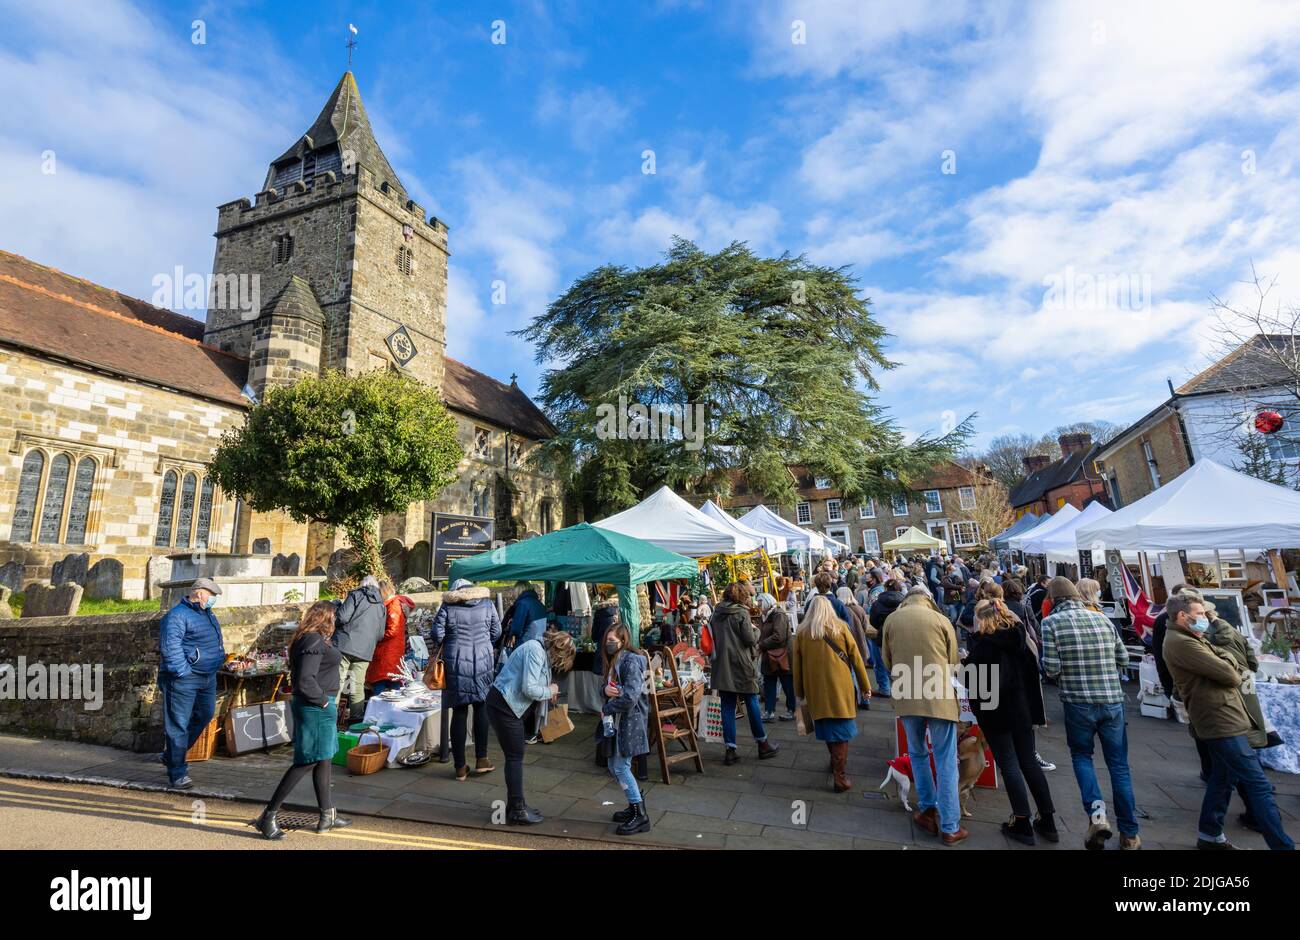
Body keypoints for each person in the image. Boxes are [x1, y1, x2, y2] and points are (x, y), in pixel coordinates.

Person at [1162, 594, 1294, 850]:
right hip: (1220, 720)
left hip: (1224, 716)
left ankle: (1210, 834)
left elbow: (1231, 659)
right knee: (1258, 784)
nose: (1205, 618)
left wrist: (1228, 661)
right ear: (1182, 615)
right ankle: (1282, 846)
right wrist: (1230, 663)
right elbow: (1232, 674)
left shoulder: (1191, 638)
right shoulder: (1183, 642)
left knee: (1223, 778)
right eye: (1200, 613)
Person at [1041, 576, 1139, 850]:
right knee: (1119, 766)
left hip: (1078, 703)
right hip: (1111, 700)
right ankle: (1130, 834)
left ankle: (1097, 817)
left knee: (1082, 757)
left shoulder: (1051, 623)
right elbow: (1123, 659)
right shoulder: (1102, 619)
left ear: (1052, 600)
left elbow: (1050, 668)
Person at [965, 600, 1058, 845]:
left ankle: (1022, 821)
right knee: (1029, 762)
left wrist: (964, 667)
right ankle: (1047, 819)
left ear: (983, 621)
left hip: (996, 713)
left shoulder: (984, 647)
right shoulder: (1020, 642)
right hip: (1022, 711)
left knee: (1009, 764)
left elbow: (975, 684)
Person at [256, 601, 351, 839]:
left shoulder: (311, 638)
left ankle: (327, 814)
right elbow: (305, 680)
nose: (336, 621)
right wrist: (324, 701)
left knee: (324, 759)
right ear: (325, 617)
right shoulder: (313, 640)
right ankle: (267, 816)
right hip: (315, 707)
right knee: (306, 761)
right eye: (334, 616)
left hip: (317, 706)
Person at [881, 588, 968, 845]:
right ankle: (950, 826)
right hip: (939, 695)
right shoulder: (940, 620)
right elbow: (953, 663)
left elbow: (886, 660)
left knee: (917, 754)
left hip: (907, 693)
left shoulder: (892, 619)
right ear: (928, 600)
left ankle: (928, 810)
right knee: (945, 759)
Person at [487, 626, 576, 824]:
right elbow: (529, 688)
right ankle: (517, 810)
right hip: (504, 707)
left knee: (515, 756)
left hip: (508, 707)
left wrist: (547, 689)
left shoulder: (539, 650)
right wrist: (549, 689)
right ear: (557, 651)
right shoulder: (535, 651)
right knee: (515, 757)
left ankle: (514, 805)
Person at [791, 595, 872, 792]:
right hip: (840, 688)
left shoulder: (802, 632)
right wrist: (865, 686)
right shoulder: (841, 627)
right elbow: (857, 659)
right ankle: (840, 776)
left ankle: (835, 765)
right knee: (841, 732)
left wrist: (800, 691)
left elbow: (797, 666)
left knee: (828, 728)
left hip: (816, 689)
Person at [157, 577, 226, 790]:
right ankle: (178, 773)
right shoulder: (177, 616)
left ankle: (171, 755)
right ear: (200, 593)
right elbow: (170, 647)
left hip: (207, 677)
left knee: (205, 715)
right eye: (212, 596)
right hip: (185, 679)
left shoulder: (207, 614)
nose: (214, 600)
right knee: (178, 724)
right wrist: (183, 672)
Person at [432, 578, 502, 781]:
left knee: (459, 711)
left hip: (456, 662)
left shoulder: (448, 605)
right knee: (481, 708)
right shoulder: (487, 604)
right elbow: (496, 632)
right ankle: (482, 760)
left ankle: (460, 767)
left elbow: (437, 634)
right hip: (482, 661)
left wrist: (451, 639)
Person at [710, 581, 780, 765]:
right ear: (741, 596)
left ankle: (730, 749)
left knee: (727, 706)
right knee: (751, 701)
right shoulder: (741, 613)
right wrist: (757, 632)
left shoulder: (716, 613)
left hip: (722, 665)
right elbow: (749, 639)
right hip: (741, 664)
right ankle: (762, 743)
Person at [599, 623, 653, 835]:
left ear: (623, 641)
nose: (608, 644)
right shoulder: (616, 660)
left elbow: (630, 697)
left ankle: (640, 815)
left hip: (629, 722)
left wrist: (607, 707)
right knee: (614, 766)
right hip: (620, 721)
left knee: (620, 767)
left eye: (612, 641)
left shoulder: (630, 661)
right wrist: (605, 689)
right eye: (607, 641)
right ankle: (634, 805)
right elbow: (606, 687)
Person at [332, 574, 386, 723]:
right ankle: (356, 720)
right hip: (365, 650)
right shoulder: (381, 605)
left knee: (338, 680)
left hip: (345, 644)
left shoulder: (356, 595)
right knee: (357, 685)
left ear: (363, 584)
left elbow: (342, 617)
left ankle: (331, 717)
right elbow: (381, 634)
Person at [365, 581, 413, 697]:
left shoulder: (393, 605)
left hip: (388, 649)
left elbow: (393, 629)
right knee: (392, 679)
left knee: (381, 679)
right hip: (392, 649)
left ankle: (377, 710)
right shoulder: (395, 604)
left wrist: (376, 636)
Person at [756, 592, 796, 721]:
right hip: (771, 656)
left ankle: (791, 710)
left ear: (767, 602)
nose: (759, 605)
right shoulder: (766, 615)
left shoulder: (778, 614)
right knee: (770, 683)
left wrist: (761, 645)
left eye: (760, 603)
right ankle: (769, 711)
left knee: (787, 684)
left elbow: (779, 636)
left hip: (782, 655)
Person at [837, 586, 875, 709]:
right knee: (861, 671)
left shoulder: (839, 610)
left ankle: (856, 700)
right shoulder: (859, 609)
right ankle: (865, 700)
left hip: (847, 646)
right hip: (860, 644)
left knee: (852, 673)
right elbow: (865, 626)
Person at [507, 581, 548, 647]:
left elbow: (516, 629)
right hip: (540, 643)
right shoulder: (540, 604)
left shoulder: (522, 603)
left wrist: (511, 627)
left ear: (518, 591)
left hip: (526, 643)